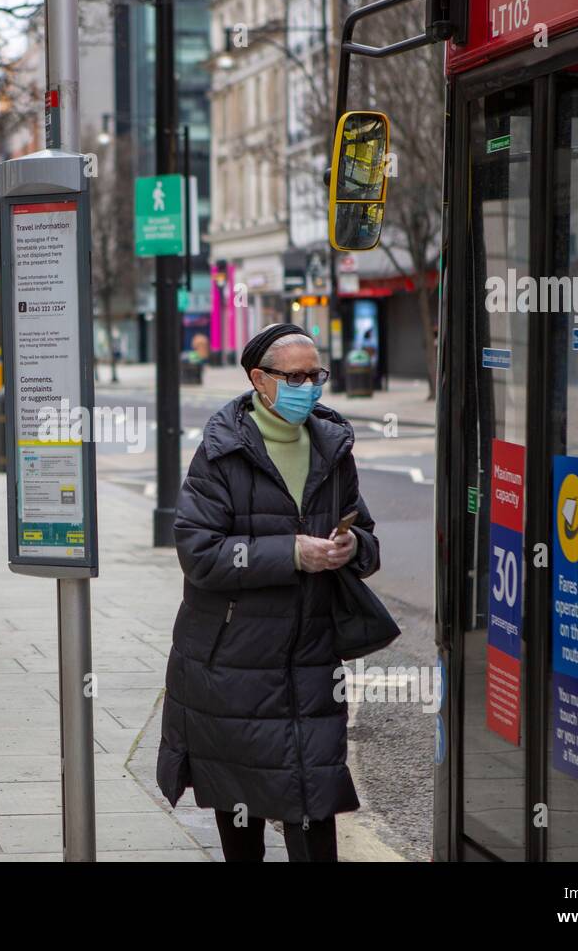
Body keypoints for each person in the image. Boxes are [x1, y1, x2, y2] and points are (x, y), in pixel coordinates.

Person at [156, 322, 381, 862]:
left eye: (316, 374)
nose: (310, 385)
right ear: (260, 379)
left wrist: (353, 549)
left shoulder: (333, 446)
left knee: (313, 792)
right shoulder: (221, 453)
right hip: (233, 660)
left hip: (310, 654)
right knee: (241, 802)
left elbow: (367, 536)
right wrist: (292, 554)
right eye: (296, 376)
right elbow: (199, 553)